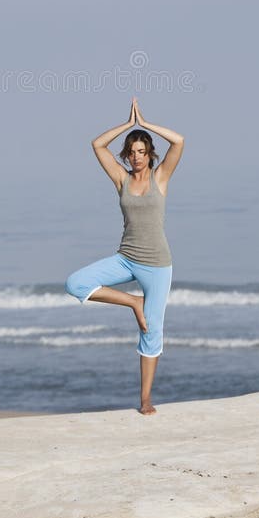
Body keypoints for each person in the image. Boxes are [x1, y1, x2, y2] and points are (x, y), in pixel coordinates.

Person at [65, 97, 184, 414]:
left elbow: (179, 140)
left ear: (150, 154)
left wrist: (144, 124)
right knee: (76, 283)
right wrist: (126, 125)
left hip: (158, 264)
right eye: (131, 152)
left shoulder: (161, 178)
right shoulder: (122, 179)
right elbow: (97, 144)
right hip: (126, 258)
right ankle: (133, 302)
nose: (136, 157)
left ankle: (145, 399)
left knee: (151, 331)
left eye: (142, 152)